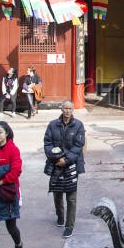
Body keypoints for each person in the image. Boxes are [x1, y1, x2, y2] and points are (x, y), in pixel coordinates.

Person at [43, 101, 86, 238]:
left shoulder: (78, 125)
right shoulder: (52, 124)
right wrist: (56, 158)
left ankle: (69, 226)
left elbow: (78, 146)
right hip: (56, 162)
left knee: (71, 197)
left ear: (73, 110)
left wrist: (66, 160)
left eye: (70, 108)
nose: (67, 111)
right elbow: (47, 142)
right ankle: (60, 216)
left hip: (71, 163)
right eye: (65, 108)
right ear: (61, 109)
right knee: (57, 193)